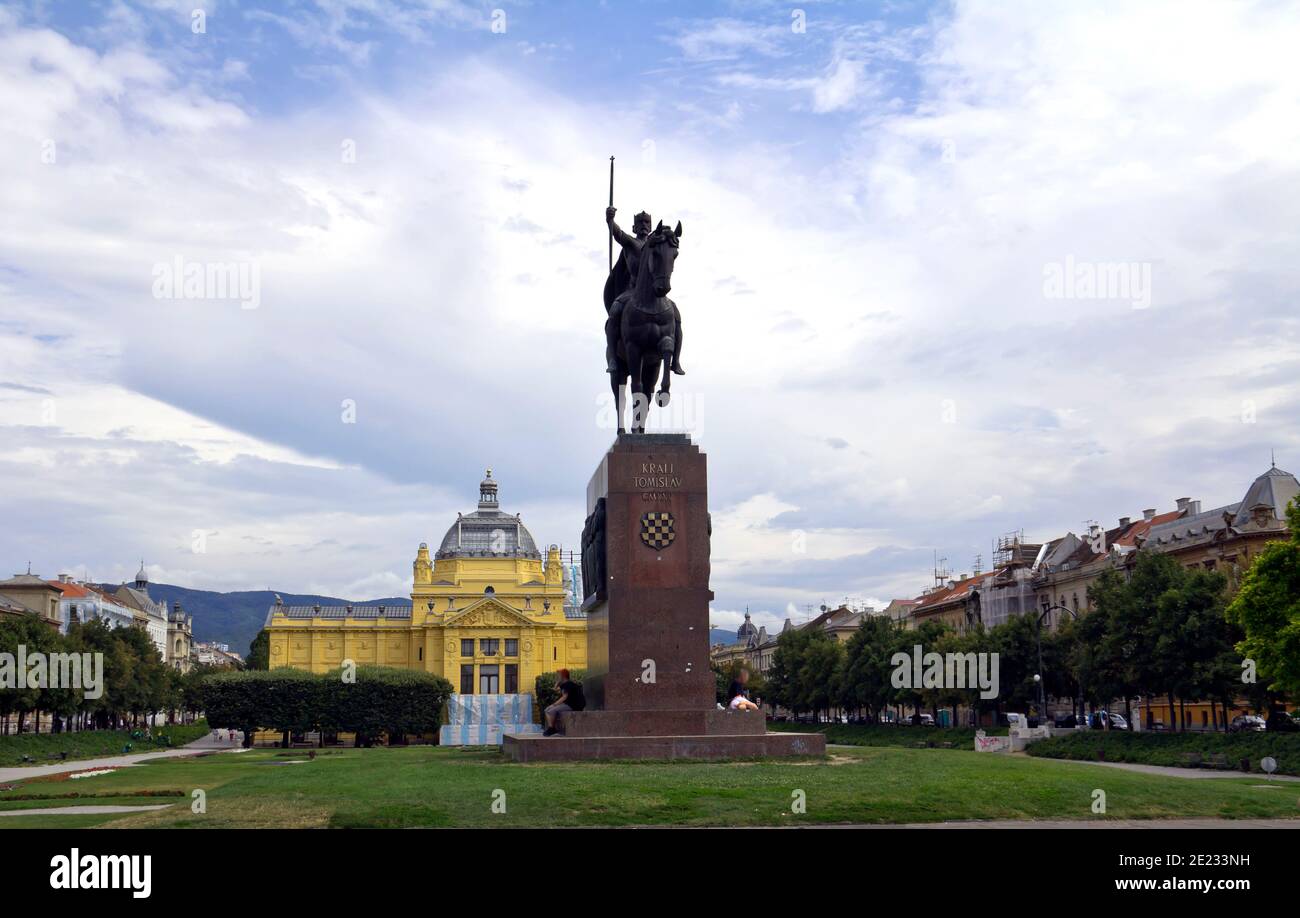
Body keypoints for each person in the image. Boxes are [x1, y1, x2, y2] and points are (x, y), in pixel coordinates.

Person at [543, 668, 586, 736]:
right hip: (573, 704)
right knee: (547, 710)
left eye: (558, 676)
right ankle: (551, 728)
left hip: (573, 705)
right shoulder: (567, 684)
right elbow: (556, 690)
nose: (557, 677)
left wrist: (554, 705)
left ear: (563, 676)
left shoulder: (567, 684)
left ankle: (552, 728)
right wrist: (557, 683)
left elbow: (564, 697)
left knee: (549, 711)